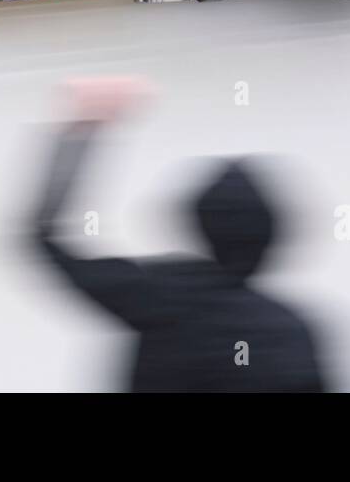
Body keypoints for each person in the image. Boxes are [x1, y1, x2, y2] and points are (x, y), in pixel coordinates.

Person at [29, 78, 330, 392]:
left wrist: (82, 130)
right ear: (272, 235)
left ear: (198, 221)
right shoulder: (292, 331)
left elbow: (43, 238)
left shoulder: (158, 296)